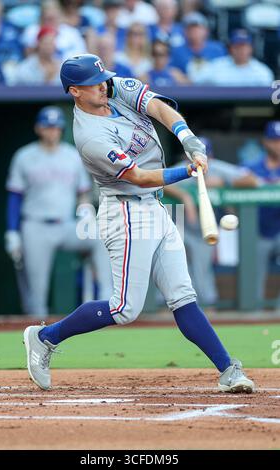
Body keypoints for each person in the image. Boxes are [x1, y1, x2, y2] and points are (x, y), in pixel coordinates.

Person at [23, 53, 255, 394]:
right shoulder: (90, 137)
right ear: (74, 91)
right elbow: (139, 176)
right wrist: (186, 171)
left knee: (182, 294)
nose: (102, 86)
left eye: (101, 79)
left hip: (155, 209)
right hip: (127, 212)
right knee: (124, 309)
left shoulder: (112, 87)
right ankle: (44, 337)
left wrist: (187, 138)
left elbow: (158, 107)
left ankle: (228, 369)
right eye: (92, 83)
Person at [5, 105, 112, 319]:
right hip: (35, 226)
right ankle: (36, 330)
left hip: (66, 225)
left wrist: (86, 215)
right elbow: (14, 196)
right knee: (37, 291)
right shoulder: (24, 156)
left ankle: (109, 301)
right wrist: (12, 231)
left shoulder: (71, 155)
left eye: (56, 127)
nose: (52, 131)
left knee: (100, 237)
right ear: (38, 128)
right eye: (48, 127)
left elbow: (83, 193)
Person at [164, 137, 258, 308]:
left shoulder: (216, 168)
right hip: (179, 228)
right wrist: (184, 195)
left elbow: (252, 180)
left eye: (203, 156)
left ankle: (207, 304)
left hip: (203, 230)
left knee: (202, 267)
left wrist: (224, 184)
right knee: (171, 265)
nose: (198, 161)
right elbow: (157, 180)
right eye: (193, 157)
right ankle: (168, 305)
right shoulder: (182, 168)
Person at [243, 121, 280, 307]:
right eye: (275, 140)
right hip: (259, 229)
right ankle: (253, 311)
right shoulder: (251, 167)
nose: (278, 145)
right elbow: (235, 182)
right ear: (266, 142)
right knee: (254, 275)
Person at [192, 29, 274, 86]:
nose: (241, 50)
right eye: (237, 46)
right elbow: (195, 82)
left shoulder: (261, 71)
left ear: (251, 48)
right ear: (231, 48)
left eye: (244, 46)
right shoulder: (216, 66)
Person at [21, 0, 87, 61]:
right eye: (48, 18)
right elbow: (29, 57)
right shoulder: (32, 31)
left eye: (54, 18)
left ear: (60, 16)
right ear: (42, 17)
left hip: (71, 70)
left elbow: (82, 56)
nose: (52, 22)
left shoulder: (72, 32)